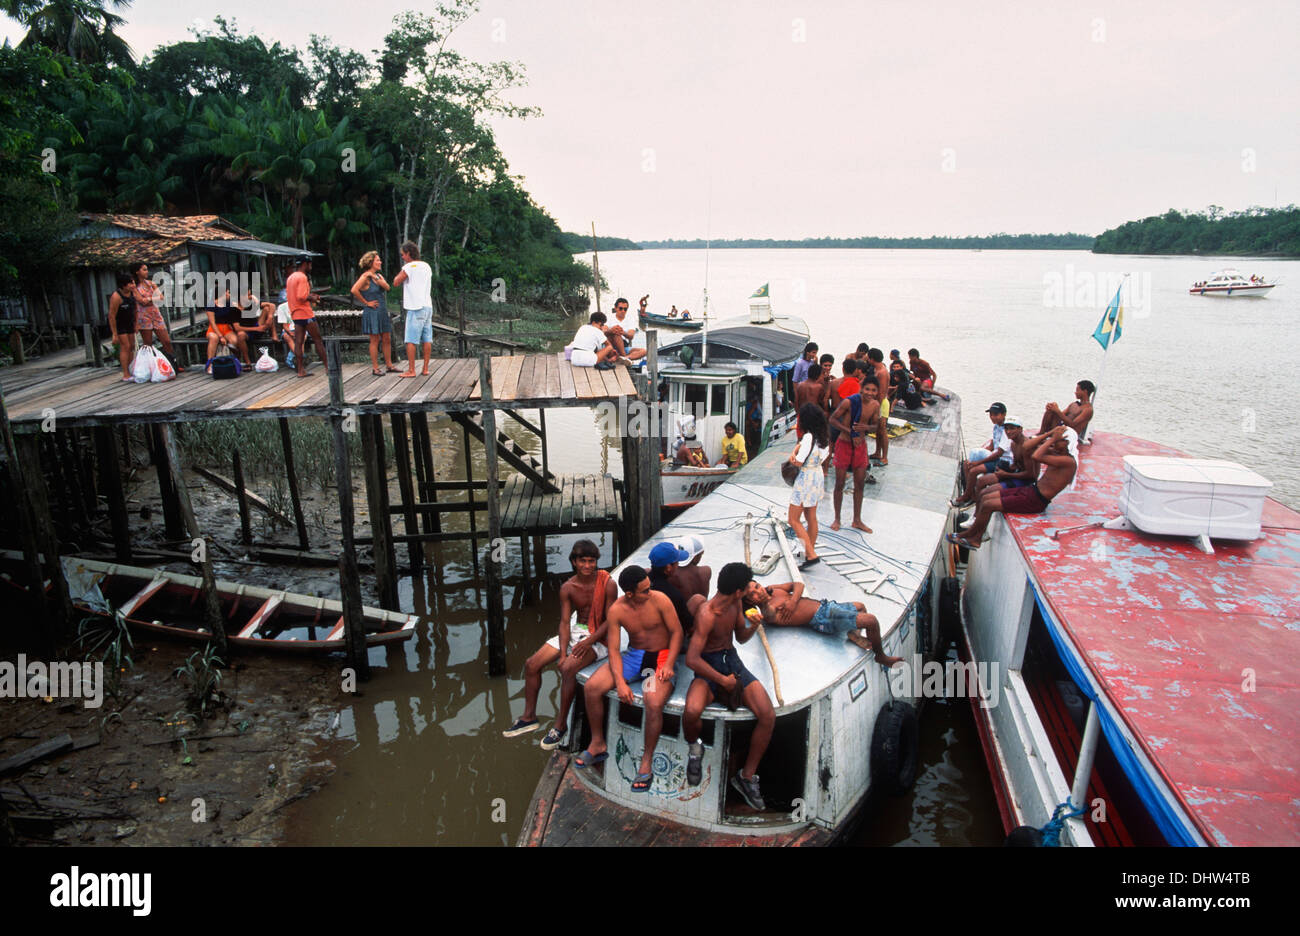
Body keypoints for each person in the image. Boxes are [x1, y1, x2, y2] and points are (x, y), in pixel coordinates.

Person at [576, 565, 683, 795]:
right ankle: (598, 743)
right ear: (630, 593)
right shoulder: (617, 610)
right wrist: (621, 682)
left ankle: (646, 760)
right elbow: (614, 649)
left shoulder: (660, 600)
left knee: (652, 700)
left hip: (659, 658)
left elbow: (677, 633)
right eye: (644, 590)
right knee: (593, 688)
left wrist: (669, 664)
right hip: (635, 656)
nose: (650, 592)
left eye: (649, 587)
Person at [504, 539, 616, 749]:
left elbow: (611, 620)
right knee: (531, 664)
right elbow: (565, 622)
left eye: (592, 561)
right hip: (576, 629)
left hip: (599, 637)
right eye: (582, 561)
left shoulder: (607, 583)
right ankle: (529, 717)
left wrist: (588, 642)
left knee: (568, 669)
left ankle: (560, 724)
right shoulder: (568, 587)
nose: (587, 566)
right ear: (574, 561)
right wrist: (564, 651)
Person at [683, 562, 773, 809]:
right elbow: (692, 659)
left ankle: (745, 777)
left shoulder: (735, 605)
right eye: (746, 588)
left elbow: (740, 638)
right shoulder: (706, 614)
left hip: (731, 660)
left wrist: (755, 625)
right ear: (737, 591)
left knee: (767, 715)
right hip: (708, 666)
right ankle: (694, 750)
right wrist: (722, 680)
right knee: (691, 712)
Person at [950, 425, 1079, 549]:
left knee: (989, 504)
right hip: (1032, 491)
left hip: (1037, 500)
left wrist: (1052, 438)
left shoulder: (1068, 462)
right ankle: (970, 533)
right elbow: (1027, 446)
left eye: (1060, 440)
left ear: (1068, 443)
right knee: (985, 496)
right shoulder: (1058, 454)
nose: (1055, 443)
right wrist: (1050, 433)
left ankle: (976, 539)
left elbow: (1036, 456)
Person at [743, 579, 902, 665]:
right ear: (751, 602)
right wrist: (762, 604)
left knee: (860, 606)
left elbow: (798, 584)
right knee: (871, 620)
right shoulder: (769, 610)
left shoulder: (773, 589)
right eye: (753, 594)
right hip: (824, 618)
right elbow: (769, 615)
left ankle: (853, 634)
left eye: (757, 586)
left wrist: (792, 601)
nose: (759, 591)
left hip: (826, 606)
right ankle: (880, 656)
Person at [828, 380, 879, 533]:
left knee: (860, 484)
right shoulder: (849, 402)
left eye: (873, 390)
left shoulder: (875, 406)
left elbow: (877, 426)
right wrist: (850, 431)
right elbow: (832, 419)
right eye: (867, 389)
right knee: (840, 483)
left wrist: (867, 427)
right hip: (844, 443)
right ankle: (837, 518)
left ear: (877, 392)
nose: (870, 393)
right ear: (861, 389)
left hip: (860, 446)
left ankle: (857, 520)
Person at [788, 403, 830, 569]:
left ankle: (811, 555)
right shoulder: (824, 438)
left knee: (793, 519)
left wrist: (792, 455)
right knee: (811, 516)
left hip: (805, 477)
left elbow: (798, 462)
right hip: (817, 475)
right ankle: (809, 551)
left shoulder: (808, 438)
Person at [952, 402, 1013, 508]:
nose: (993, 417)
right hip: (996, 457)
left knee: (974, 469)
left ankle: (967, 496)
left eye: (996, 414)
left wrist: (979, 462)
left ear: (1004, 414)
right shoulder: (996, 427)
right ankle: (971, 495)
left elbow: (999, 453)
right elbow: (993, 445)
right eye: (991, 414)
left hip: (1003, 461)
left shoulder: (1007, 430)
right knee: (967, 464)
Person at [351, 250, 398, 376]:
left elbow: (387, 288)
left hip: (382, 310)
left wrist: (377, 278)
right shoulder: (365, 276)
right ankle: (375, 368)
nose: (380, 262)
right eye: (378, 260)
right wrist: (366, 302)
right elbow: (354, 290)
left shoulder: (378, 276)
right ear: (371, 262)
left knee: (387, 338)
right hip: (372, 311)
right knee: (375, 339)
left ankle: (389, 365)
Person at [392, 241, 433, 378]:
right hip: (427, 306)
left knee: (411, 340)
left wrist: (403, 269)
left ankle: (411, 370)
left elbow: (396, 282)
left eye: (403, 254)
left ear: (409, 253)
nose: (402, 257)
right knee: (427, 338)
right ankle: (425, 369)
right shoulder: (426, 266)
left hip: (415, 307)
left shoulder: (409, 266)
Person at [131, 262, 182, 370]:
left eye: (146, 269)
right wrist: (152, 299)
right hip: (144, 317)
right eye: (144, 270)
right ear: (137, 272)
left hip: (155, 315)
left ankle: (173, 364)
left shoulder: (151, 283)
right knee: (148, 344)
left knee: (166, 341)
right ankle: (151, 367)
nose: (147, 272)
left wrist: (148, 299)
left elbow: (161, 297)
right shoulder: (134, 286)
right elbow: (141, 301)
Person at [285, 256, 327, 378]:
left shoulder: (291, 277)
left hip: (295, 313)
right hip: (305, 313)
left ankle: (300, 370)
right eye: (310, 264)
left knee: (298, 342)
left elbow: (296, 295)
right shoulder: (302, 277)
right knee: (318, 339)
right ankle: (328, 367)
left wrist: (310, 295)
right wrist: (313, 298)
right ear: (305, 264)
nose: (311, 266)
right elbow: (302, 296)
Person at [647, 541, 700, 638]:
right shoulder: (673, 595)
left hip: (647, 629)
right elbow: (689, 626)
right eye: (677, 562)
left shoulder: (642, 582)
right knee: (698, 599)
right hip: (668, 638)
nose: (678, 565)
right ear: (668, 567)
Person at [204, 289, 251, 368]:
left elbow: (241, 310)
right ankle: (210, 364)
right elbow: (212, 322)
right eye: (228, 293)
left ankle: (231, 362)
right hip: (214, 328)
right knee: (214, 338)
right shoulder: (211, 305)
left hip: (226, 328)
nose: (229, 294)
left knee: (234, 340)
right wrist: (220, 336)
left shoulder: (229, 304)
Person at [107, 273, 137, 381]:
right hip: (120, 324)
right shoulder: (116, 297)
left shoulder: (133, 293)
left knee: (132, 347)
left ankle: (131, 369)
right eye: (130, 283)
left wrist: (136, 324)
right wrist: (114, 334)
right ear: (124, 285)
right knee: (125, 347)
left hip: (130, 323)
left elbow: (135, 309)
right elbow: (111, 316)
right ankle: (125, 374)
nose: (133, 285)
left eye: (133, 282)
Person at [864, 348, 891, 465]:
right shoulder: (877, 370)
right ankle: (877, 452)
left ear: (872, 359)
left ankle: (884, 457)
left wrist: (875, 408)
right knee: (878, 431)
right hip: (878, 402)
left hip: (881, 403)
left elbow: (882, 392)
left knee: (882, 431)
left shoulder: (882, 372)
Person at [672, 535, 712, 601]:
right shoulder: (706, 571)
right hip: (699, 609)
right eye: (701, 554)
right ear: (695, 557)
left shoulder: (671, 572)